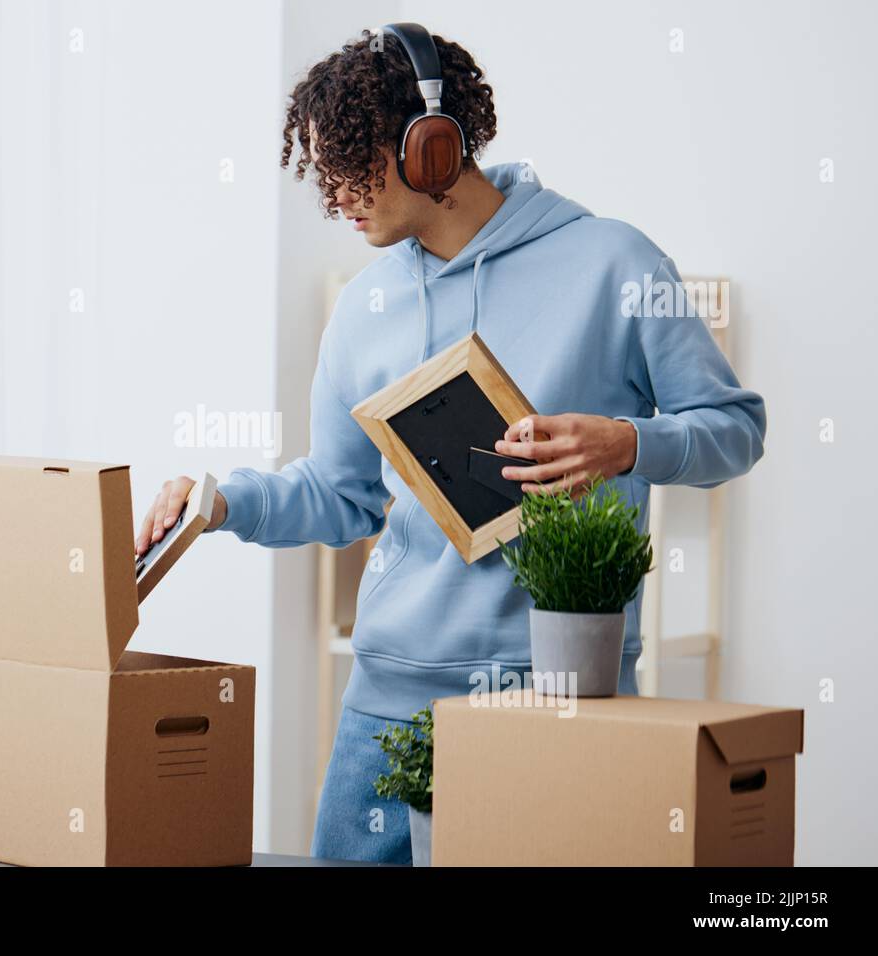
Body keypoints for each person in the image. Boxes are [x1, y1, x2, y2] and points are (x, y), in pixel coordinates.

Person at [133, 25, 766, 864]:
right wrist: (222, 505)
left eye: (353, 164)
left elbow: (735, 429)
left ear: (432, 147)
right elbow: (339, 491)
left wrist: (625, 442)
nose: (335, 198)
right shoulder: (363, 308)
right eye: (321, 174)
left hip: (561, 709)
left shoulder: (615, 263)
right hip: (384, 713)